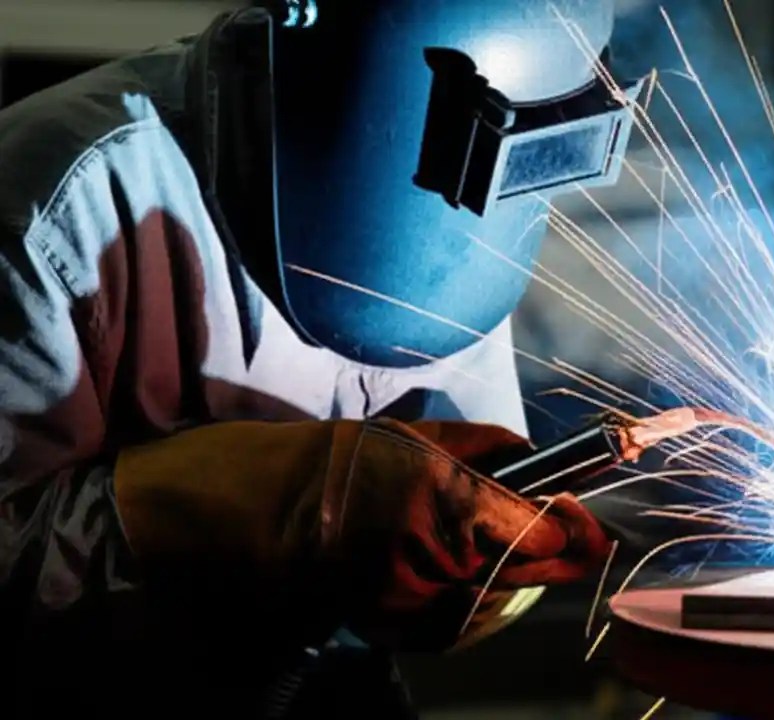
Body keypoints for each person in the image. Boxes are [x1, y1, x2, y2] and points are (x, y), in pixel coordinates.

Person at [0, 0, 641, 716]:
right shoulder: (56, 204)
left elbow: (460, 513)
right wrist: (299, 504)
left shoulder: (461, 216)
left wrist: (472, 575)